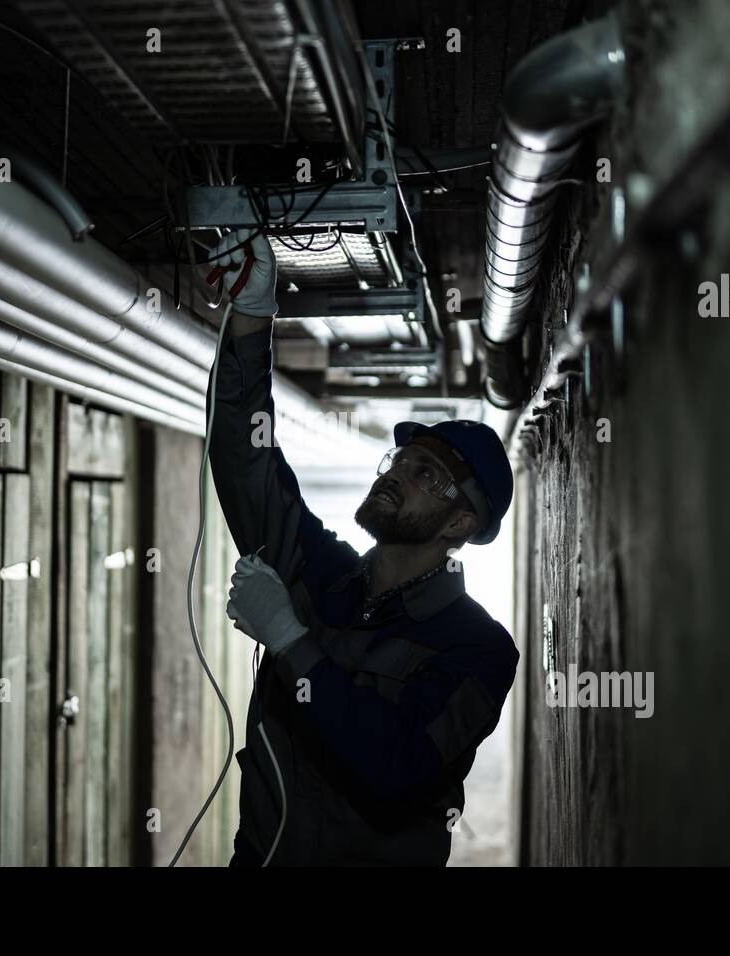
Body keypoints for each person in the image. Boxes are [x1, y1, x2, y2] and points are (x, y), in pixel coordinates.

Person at [207, 229, 520, 866]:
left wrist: (293, 641)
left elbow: (396, 772)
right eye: (401, 459)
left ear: (459, 525)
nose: (399, 474)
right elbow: (247, 461)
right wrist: (251, 319)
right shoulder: (321, 573)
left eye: (428, 476)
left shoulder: (478, 649)